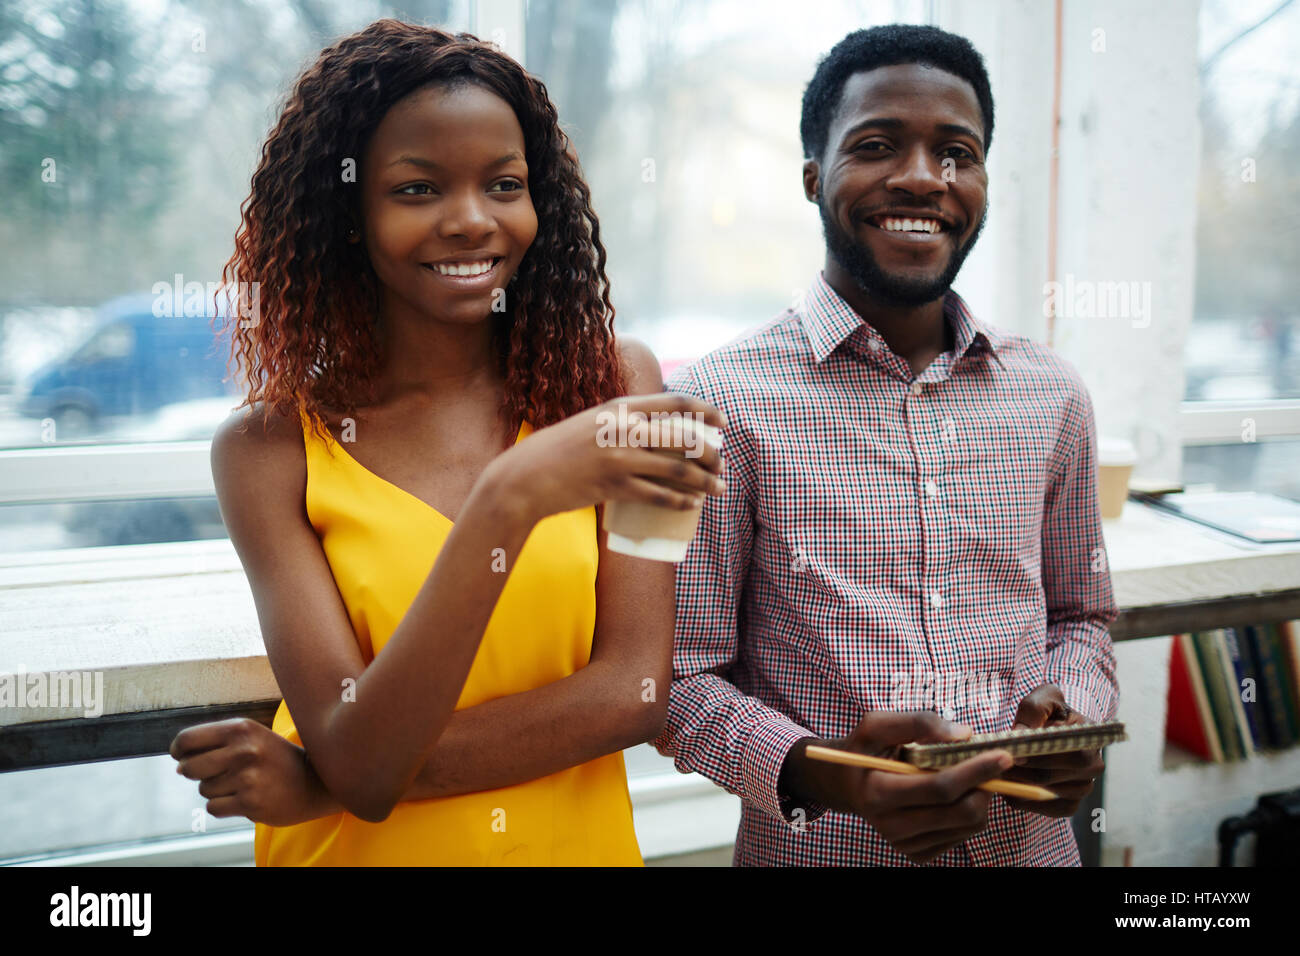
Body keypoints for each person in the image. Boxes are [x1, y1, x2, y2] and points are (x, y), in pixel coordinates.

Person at [168, 19, 725, 866]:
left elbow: (636, 692)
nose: (471, 221)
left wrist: (325, 777)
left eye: (504, 184)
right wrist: (514, 495)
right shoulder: (265, 451)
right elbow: (358, 753)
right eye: (417, 190)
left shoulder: (627, 386)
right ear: (345, 212)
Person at [654, 24, 1119, 866]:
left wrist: (1074, 713)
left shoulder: (1054, 395)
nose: (921, 177)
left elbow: (1080, 618)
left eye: (956, 151)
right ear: (812, 176)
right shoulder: (713, 406)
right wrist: (831, 779)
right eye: (876, 145)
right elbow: (677, 685)